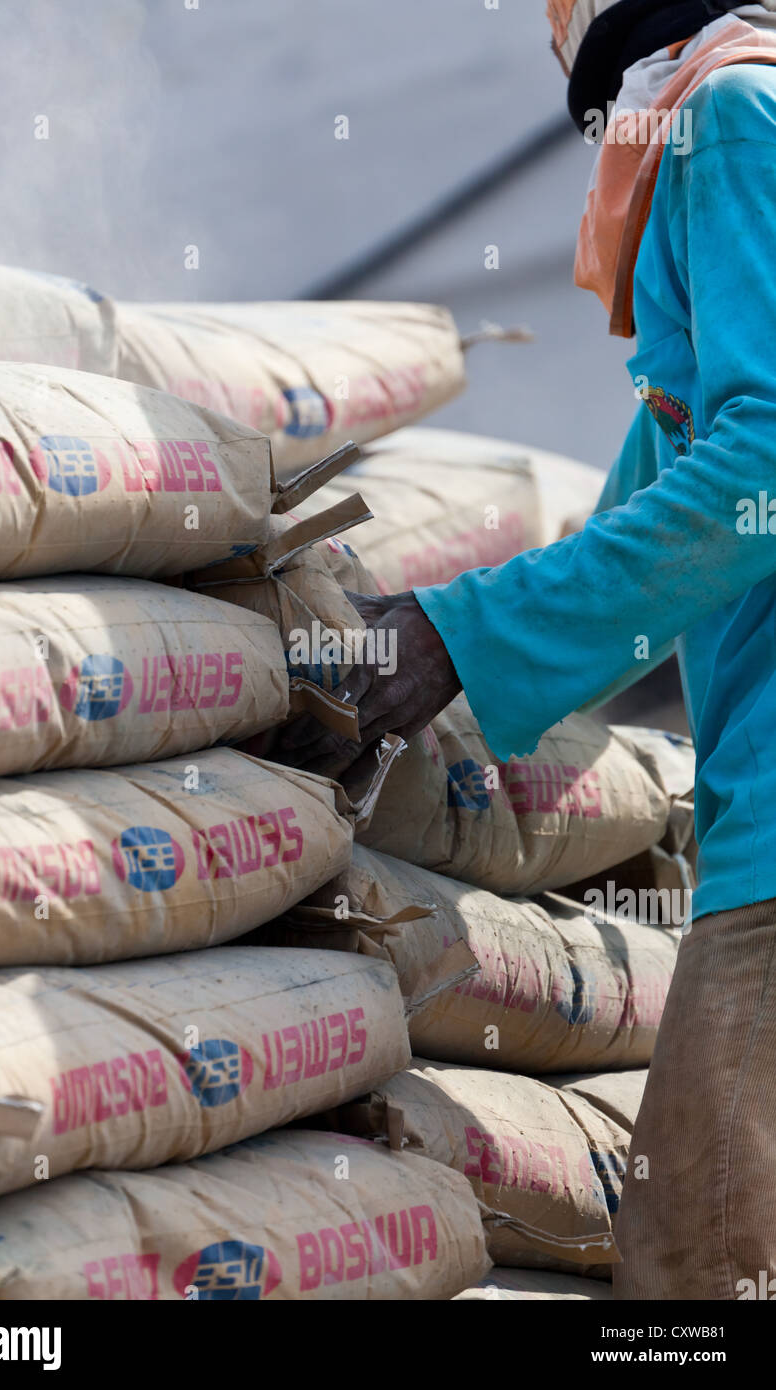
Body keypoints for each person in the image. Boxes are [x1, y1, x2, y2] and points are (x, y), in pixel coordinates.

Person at [283, 0, 776, 1300]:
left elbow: (763, 459)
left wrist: (455, 639)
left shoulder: (730, 113)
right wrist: (448, 636)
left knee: (695, 1275)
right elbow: (669, 479)